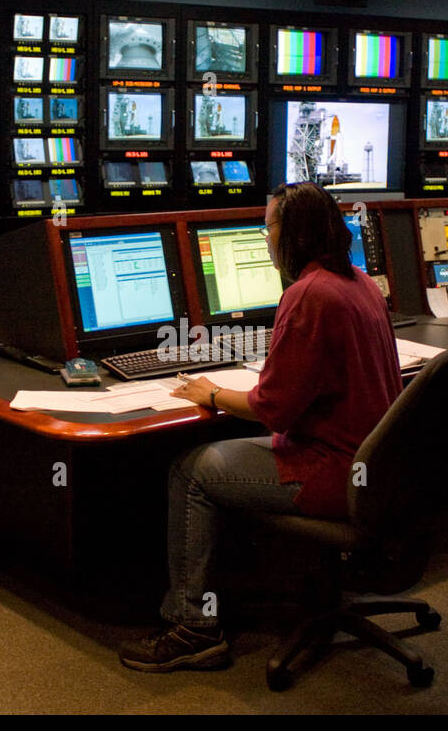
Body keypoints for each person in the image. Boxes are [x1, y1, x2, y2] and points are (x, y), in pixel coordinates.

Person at [119, 182, 404, 672]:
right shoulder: (358, 282)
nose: (265, 236)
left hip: (331, 470)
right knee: (220, 456)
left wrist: (208, 393)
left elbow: (273, 409)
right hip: (375, 465)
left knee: (191, 471)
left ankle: (194, 627)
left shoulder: (309, 294)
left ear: (290, 234)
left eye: (268, 225)